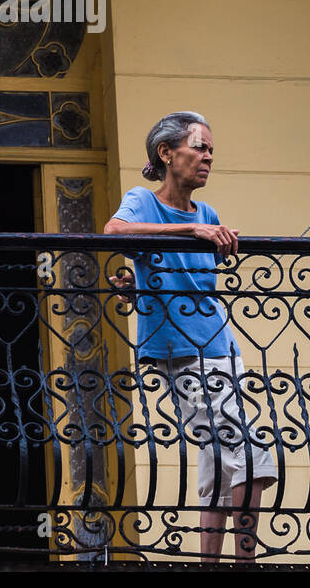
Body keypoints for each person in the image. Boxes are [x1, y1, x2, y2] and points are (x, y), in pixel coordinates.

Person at [104, 110, 277, 562]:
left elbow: (185, 281)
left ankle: (213, 563)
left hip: (221, 344)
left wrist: (135, 288)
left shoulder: (209, 212)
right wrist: (189, 230)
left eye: (211, 151)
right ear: (166, 152)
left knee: (221, 457)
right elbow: (114, 232)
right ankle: (236, 564)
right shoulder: (143, 200)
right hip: (180, 349)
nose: (207, 158)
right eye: (200, 147)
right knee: (247, 454)